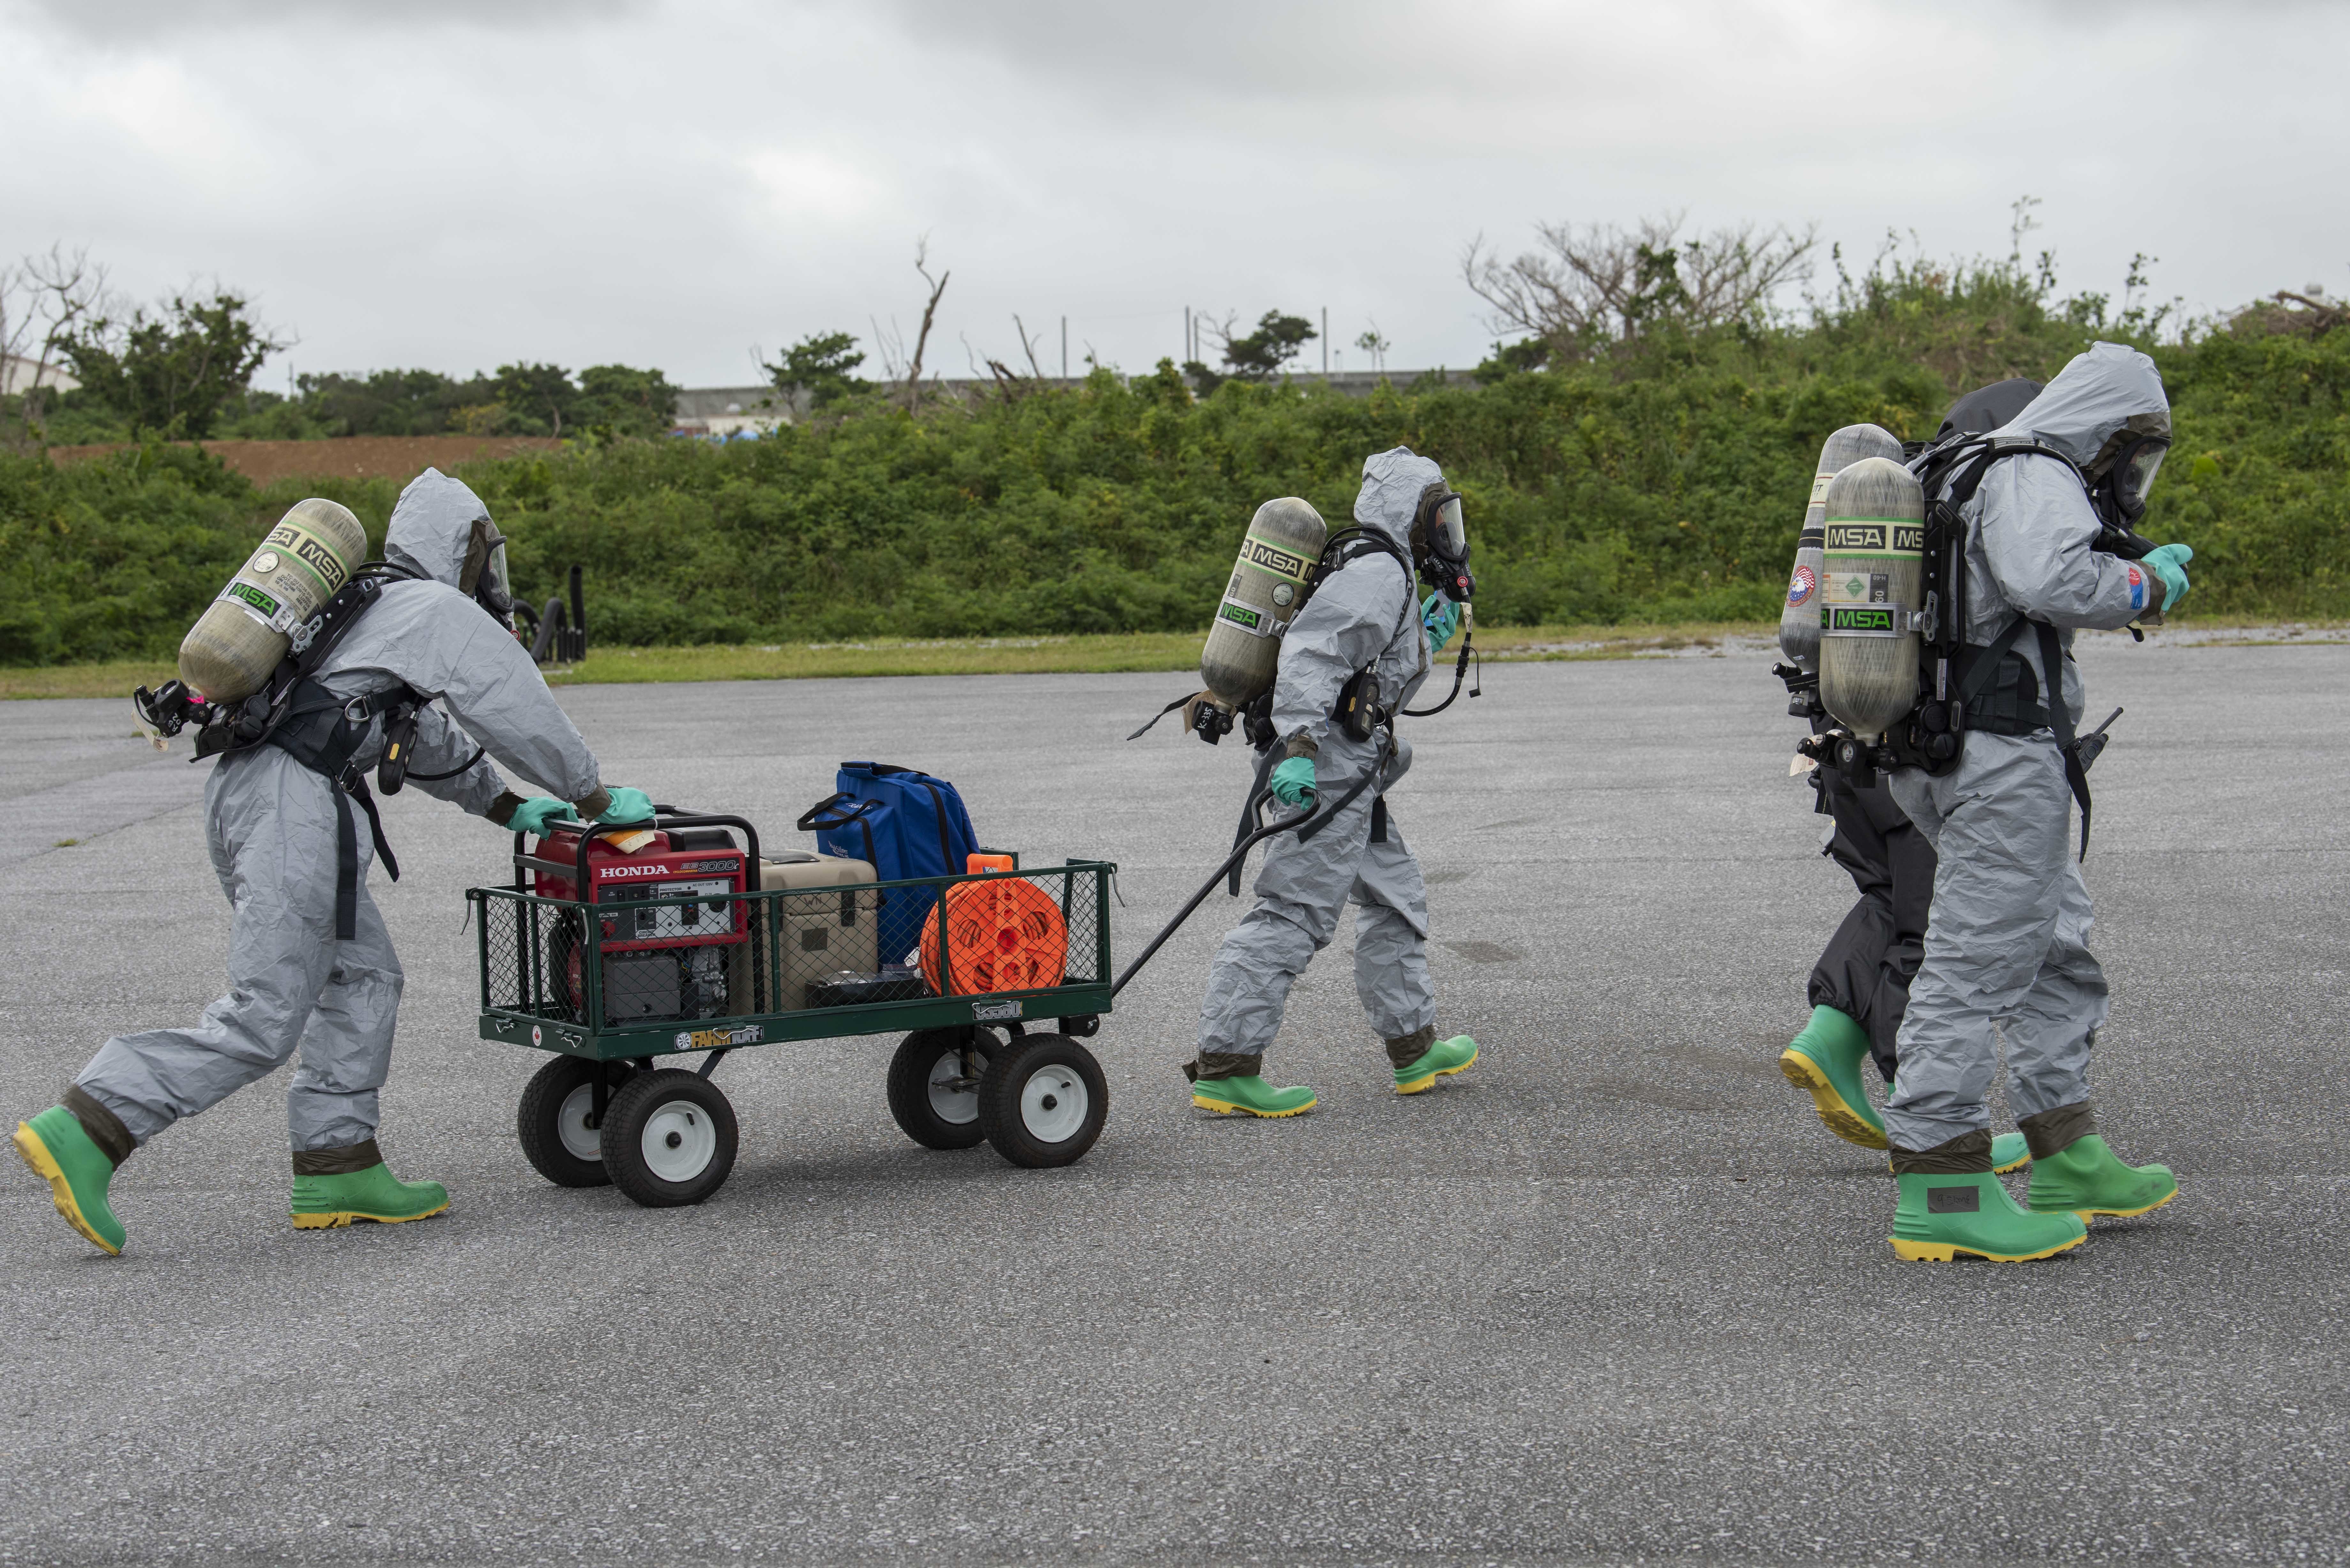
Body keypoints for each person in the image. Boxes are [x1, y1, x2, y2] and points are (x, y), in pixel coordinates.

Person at [12, 469, 654, 1255]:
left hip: (263, 796)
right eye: (484, 554)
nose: (488, 574)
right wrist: (592, 795)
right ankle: (90, 1124)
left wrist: (505, 804)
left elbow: (405, 733)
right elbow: (511, 702)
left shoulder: (367, 606)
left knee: (363, 978)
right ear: (463, 547)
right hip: (295, 809)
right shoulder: (433, 609)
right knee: (266, 1010)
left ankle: (338, 1162)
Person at [1880, 343, 2190, 1263]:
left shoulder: (1966, 465)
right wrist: (2147, 584)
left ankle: (2065, 1152)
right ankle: (1941, 1190)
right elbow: (2051, 582)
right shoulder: (2033, 468)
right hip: (2000, 757)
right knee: (1975, 965)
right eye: (2131, 449)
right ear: (2105, 428)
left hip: (1959, 747)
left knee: (2053, 944)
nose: (2129, 472)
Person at [1780, 382, 2044, 1177]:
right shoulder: (1979, 505)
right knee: (1930, 928)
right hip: (1918, 760)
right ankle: (1930, 1124)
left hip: (1842, 743)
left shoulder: (1897, 495)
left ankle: (1829, 1034)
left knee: (1889, 896)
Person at [1185, 447, 1478, 1116]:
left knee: (1395, 895)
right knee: (1294, 908)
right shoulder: (1378, 572)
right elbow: (1313, 652)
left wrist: (1424, 638)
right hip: (1326, 766)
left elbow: (1369, 666)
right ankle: (1226, 1066)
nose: (1445, 533)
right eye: (1438, 517)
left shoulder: (1388, 571)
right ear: (1409, 514)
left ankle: (1414, 1047)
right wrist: (1296, 747)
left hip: (1354, 765)